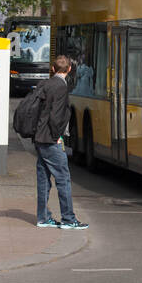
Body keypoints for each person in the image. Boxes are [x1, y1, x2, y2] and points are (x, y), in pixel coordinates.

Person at [34, 55, 88, 230]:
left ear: (52, 69)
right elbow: (56, 116)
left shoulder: (46, 84)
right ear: (70, 69)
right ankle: (68, 218)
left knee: (43, 179)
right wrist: (58, 135)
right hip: (52, 139)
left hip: (40, 137)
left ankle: (42, 217)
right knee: (63, 179)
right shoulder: (61, 87)